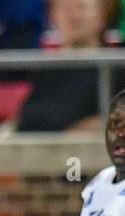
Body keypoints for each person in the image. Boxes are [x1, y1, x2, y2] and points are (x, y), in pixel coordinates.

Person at [16, 0, 119, 133]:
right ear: (52, 16)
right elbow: (26, 116)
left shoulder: (116, 67)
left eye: (81, 7)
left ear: (101, 15)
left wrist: (92, 128)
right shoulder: (44, 69)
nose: (74, 16)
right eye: (66, 8)